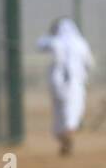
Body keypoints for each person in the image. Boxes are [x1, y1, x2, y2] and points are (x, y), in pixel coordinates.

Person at [37, 17, 94, 155]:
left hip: (55, 80)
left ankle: (62, 136)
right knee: (73, 111)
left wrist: (50, 37)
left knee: (58, 112)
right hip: (75, 81)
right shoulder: (81, 43)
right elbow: (89, 63)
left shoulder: (56, 41)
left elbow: (39, 45)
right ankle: (68, 134)